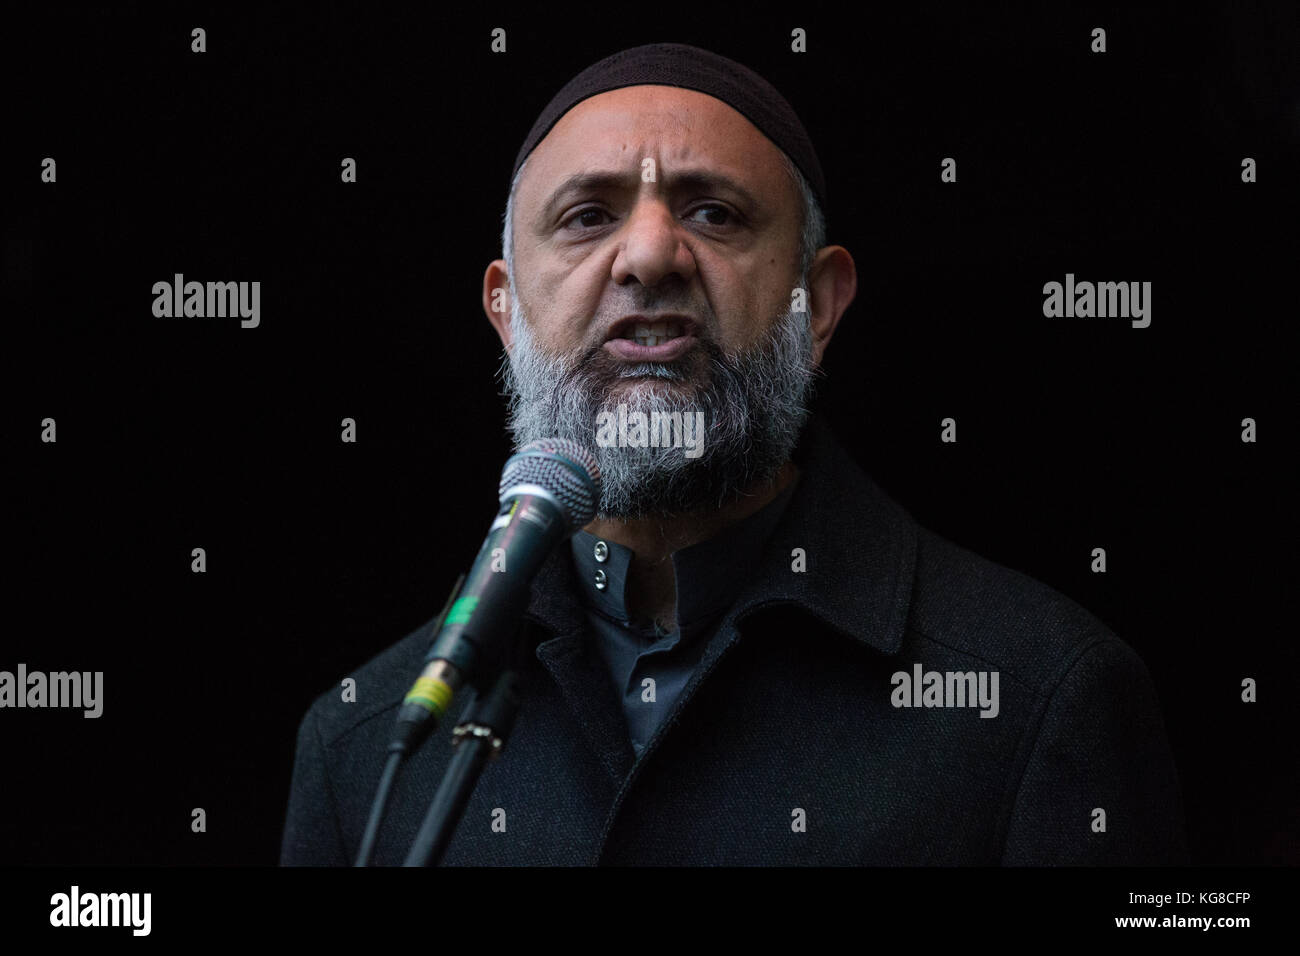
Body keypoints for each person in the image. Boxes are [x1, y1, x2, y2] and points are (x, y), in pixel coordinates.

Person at [281, 42, 1188, 865]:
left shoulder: (1037, 698)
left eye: (713, 213)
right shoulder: (366, 747)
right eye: (588, 215)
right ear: (507, 311)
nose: (647, 255)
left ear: (818, 303)